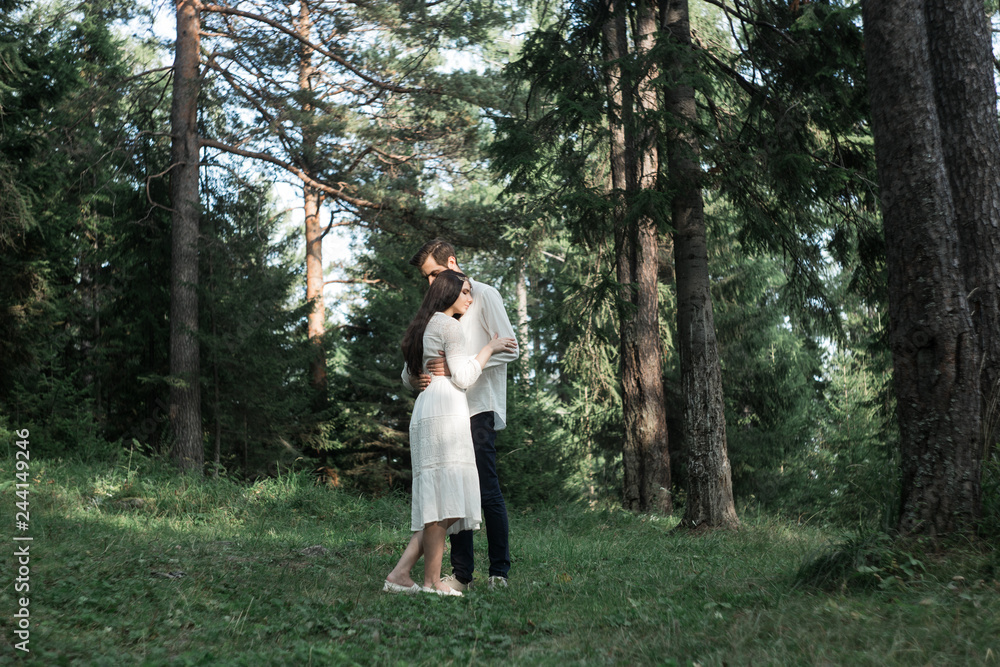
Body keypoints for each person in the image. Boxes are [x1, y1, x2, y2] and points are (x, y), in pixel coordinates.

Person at [383, 270, 517, 597]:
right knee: (450, 500)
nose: (471, 299)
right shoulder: (449, 325)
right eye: (466, 293)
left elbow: (412, 371)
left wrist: (422, 376)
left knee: (443, 500)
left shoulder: (421, 327)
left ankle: (404, 574)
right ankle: (430, 580)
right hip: (446, 408)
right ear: (450, 294)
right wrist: (489, 347)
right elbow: (464, 377)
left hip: (427, 409)